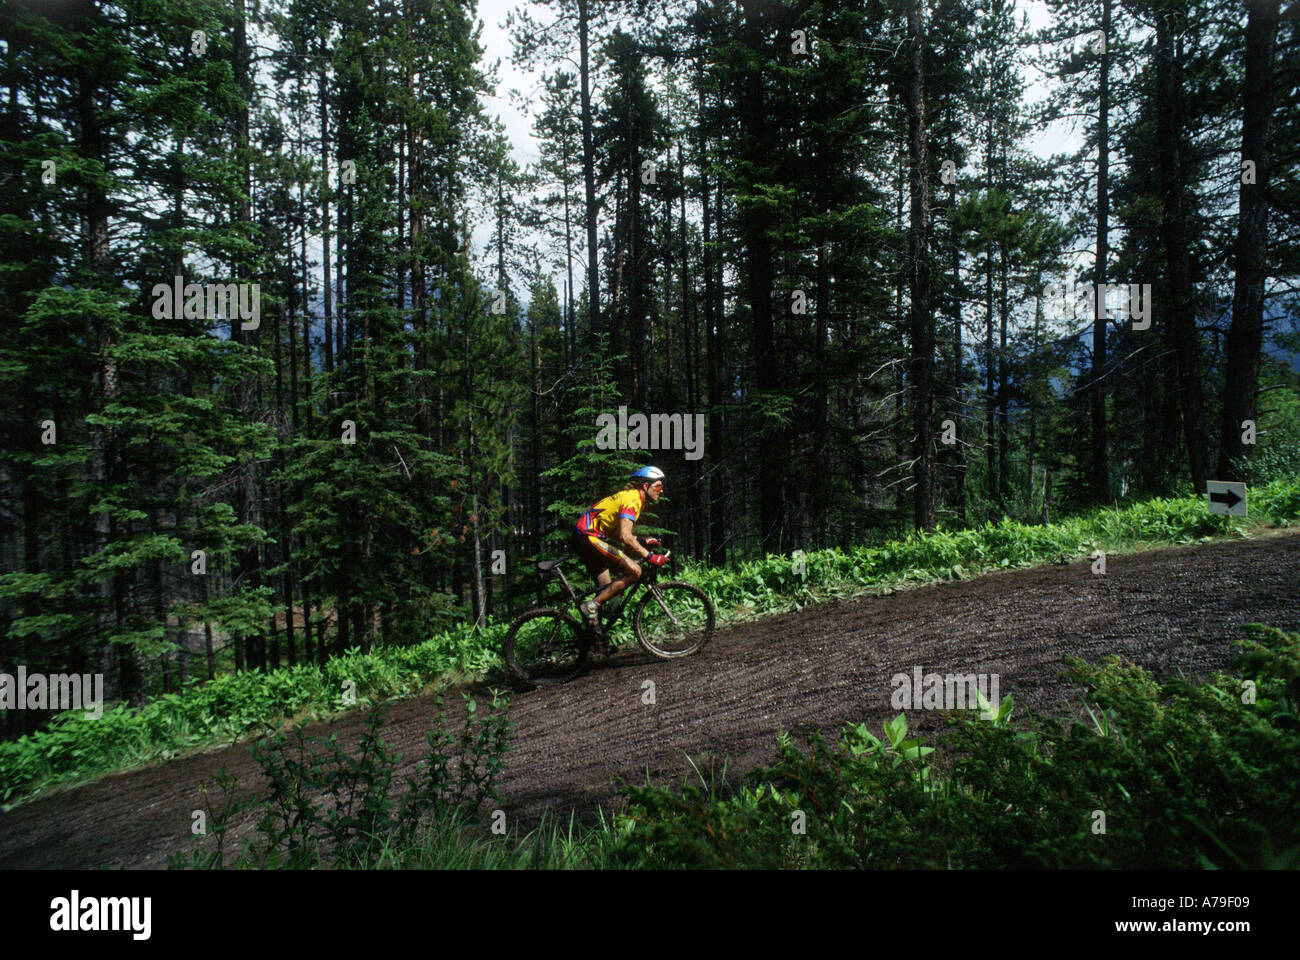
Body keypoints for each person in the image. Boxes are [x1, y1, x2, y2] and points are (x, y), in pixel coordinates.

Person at [571, 466, 668, 630]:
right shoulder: (633, 500)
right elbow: (625, 536)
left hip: (585, 537)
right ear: (645, 486)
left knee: (609, 591)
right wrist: (650, 556)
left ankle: (594, 637)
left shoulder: (632, 497)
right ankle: (591, 606)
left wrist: (642, 540)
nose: (661, 490)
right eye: (658, 486)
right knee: (635, 572)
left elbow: (615, 531)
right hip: (587, 537)